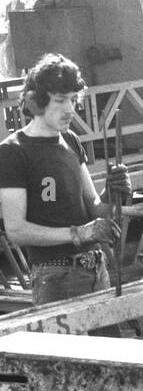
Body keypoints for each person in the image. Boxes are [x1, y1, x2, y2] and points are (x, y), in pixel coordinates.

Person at [0, 54, 131, 306]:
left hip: (95, 269)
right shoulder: (13, 152)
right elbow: (16, 230)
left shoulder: (70, 140)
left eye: (73, 100)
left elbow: (94, 207)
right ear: (35, 102)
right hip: (55, 276)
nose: (70, 109)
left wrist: (115, 194)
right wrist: (77, 234)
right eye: (60, 100)